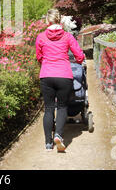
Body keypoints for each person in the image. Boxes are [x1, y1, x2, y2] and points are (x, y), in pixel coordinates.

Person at [35, 9, 85, 152]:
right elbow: (79, 56)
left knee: (49, 108)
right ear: (59, 20)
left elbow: (39, 57)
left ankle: (48, 143)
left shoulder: (41, 37)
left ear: (47, 21)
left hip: (46, 75)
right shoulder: (68, 36)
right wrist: (79, 60)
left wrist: (45, 64)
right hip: (64, 75)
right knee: (62, 106)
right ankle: (58, 135)